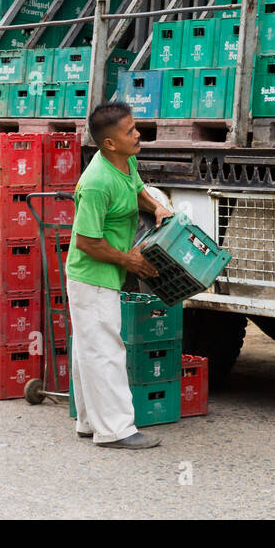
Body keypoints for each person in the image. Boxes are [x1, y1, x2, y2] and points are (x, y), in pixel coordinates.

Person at [65, 101, 173, 449]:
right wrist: (131, 262)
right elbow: (86, 242)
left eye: (134, 127)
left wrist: (155, 204)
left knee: (88, 349)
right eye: (130, 132)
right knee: (105, 351)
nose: (137, 134)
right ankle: (115, 430)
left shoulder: (126, 162)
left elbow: (136, 189)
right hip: (92, 277)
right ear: (109, 143)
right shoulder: (96, 182)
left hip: (102, 275)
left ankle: (88, 422)